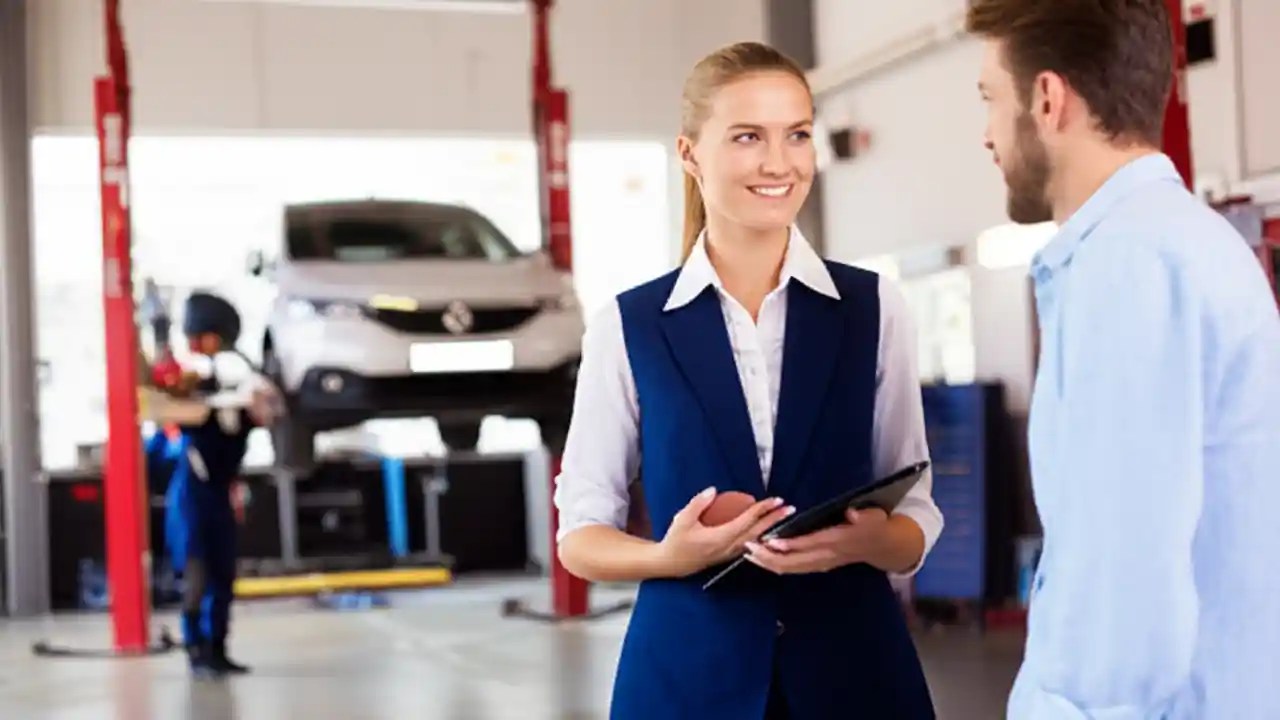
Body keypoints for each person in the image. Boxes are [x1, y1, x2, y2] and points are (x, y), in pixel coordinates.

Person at [554, 42, 943, 720]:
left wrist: (861, 543)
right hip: (683, 686)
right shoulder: (630, 325)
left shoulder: (875, 308)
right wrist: (670, 557)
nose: (778, 162)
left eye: (796, 134)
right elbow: (581, 537)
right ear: (689, 154)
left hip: (857, 680)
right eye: (746, 137)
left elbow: (916, 514)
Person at [966, 1, 1280, 717]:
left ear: (1047, 99)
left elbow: (1122, 599)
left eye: (990, 99)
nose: (985, 135)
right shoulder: (1187, 242)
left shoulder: (1125, 265)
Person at [164, 291, 279, 678]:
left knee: (222, 573)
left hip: (220, 491)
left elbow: (268, 408)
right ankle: (196, 650)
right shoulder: (192, 383)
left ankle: (217, 647)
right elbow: (171, 400)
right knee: (197, 573)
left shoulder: (241, 377)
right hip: (194, 492)